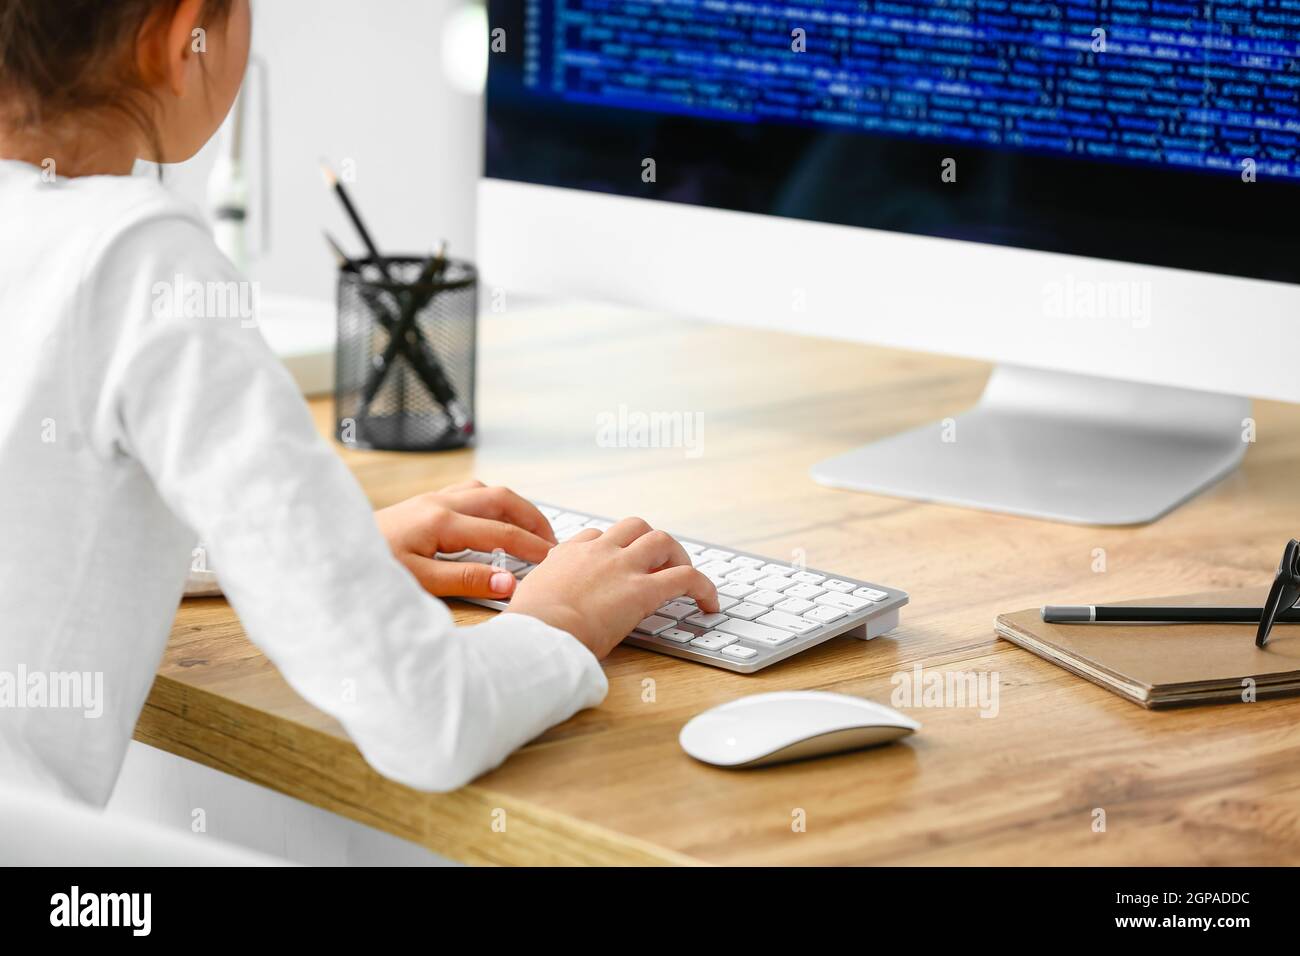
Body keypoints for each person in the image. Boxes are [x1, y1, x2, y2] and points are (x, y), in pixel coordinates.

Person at [0, 0, 718, 805]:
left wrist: (322, 557)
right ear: (185, 37)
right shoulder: (139, 259)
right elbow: (428, 723)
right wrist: (561, 618)